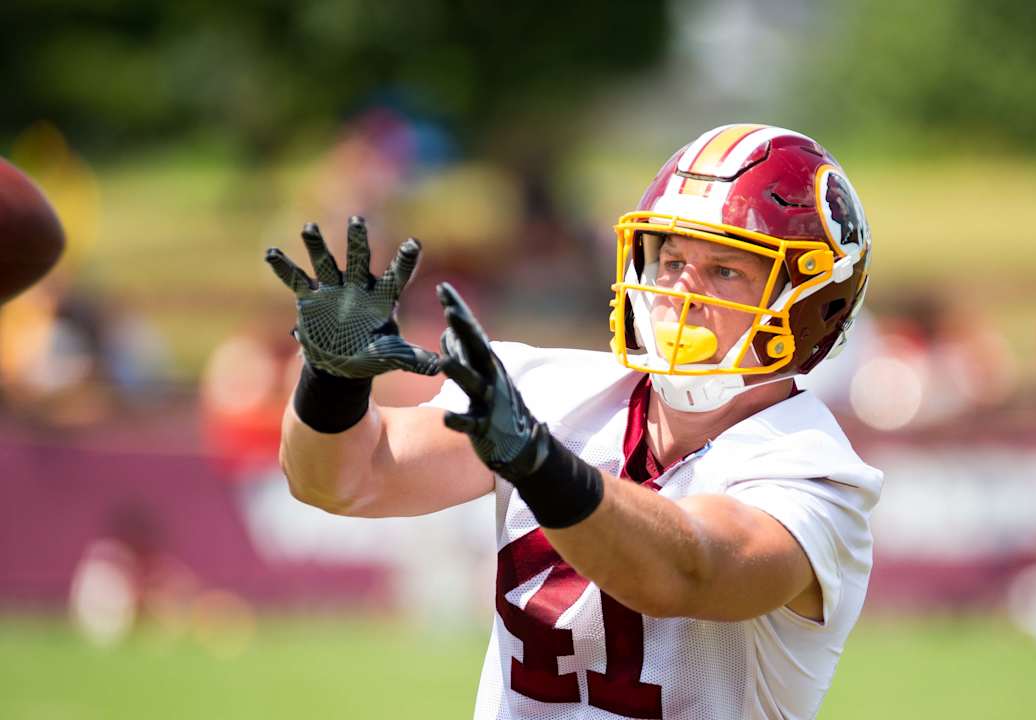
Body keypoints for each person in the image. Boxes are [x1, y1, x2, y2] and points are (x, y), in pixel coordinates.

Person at [266, 124, 882, 719]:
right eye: (669, 260)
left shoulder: (816, 473)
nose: (679, 290)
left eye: (725, 269)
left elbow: (689, 571)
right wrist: (332, 383)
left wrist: (542, 466)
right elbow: (345, 479)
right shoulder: (551, 391)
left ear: (811, 306)